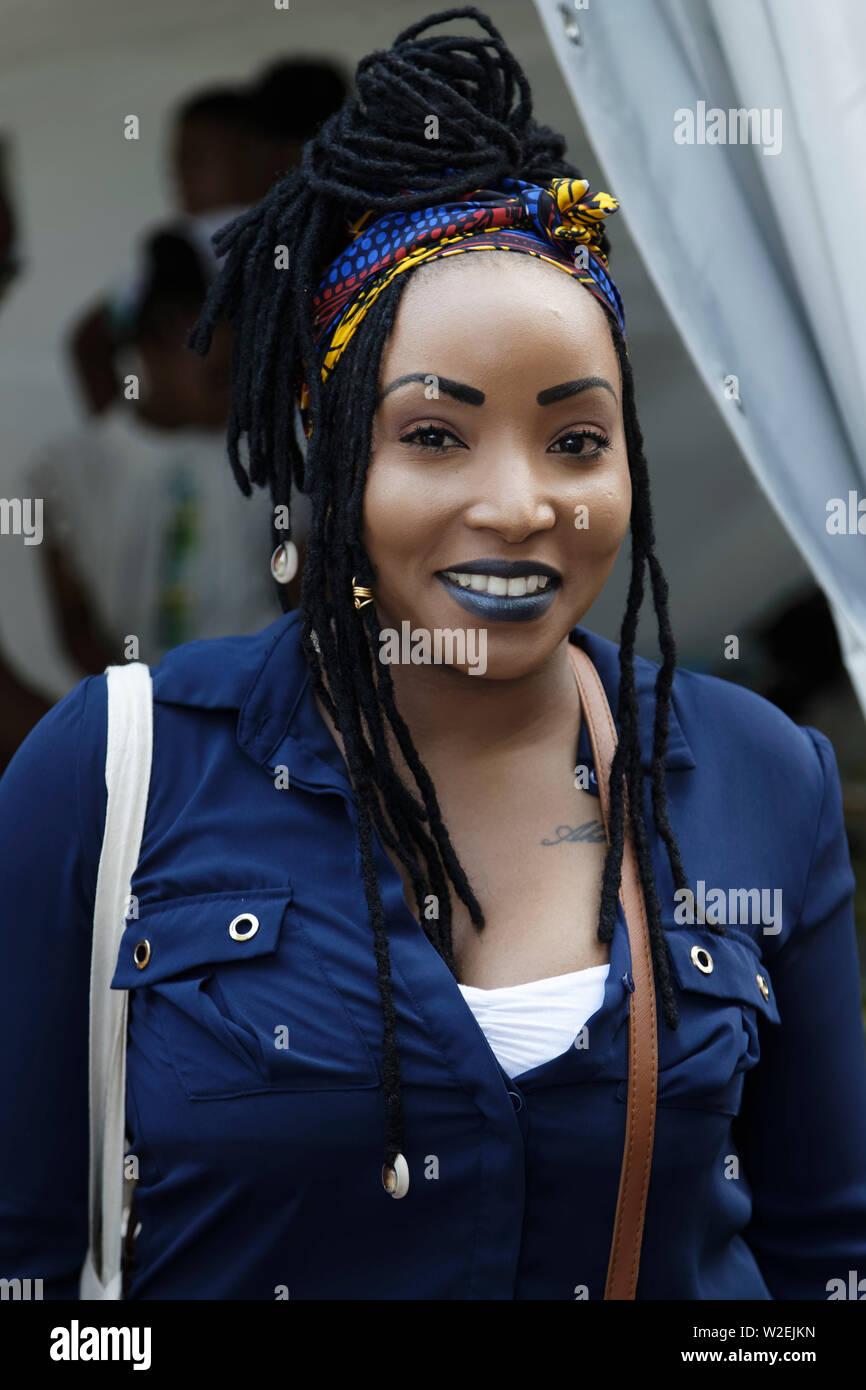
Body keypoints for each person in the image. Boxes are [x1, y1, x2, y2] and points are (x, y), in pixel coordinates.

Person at [1, 7, 864, 1301]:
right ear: (329, 443)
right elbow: (23, 1264)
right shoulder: (115, 771)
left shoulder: (761, 775)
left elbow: (820, 1262)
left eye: (574, 439)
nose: (519, 504)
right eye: (435, 436)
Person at [28, 227, 283, 675]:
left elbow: (301, 604)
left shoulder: (272, 457)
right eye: (220, 375)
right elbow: (77, 630)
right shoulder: (64, 474)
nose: (237, 391)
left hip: (257, 711)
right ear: (152, 350)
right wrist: (145, 717)